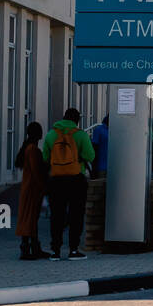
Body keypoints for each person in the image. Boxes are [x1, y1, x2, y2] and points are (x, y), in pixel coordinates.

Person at [42, 108, 94, 260]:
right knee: (76, 215)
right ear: (77, 120)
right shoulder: (81, 135)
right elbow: (90, 155)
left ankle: (55, 251)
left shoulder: (51, 135)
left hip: (56, 180)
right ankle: (73, 250)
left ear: (63, 118)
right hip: (76, 179)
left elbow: (45, 158)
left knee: (56, 215)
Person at [14, 121, 51, 260]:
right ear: (38, 134)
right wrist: (44, 187)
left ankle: (32, 247)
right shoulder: (33, 150)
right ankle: (28, 249)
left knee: (29, 218)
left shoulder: (27, 148)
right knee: (30, 218)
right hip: (32, 189)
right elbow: (37, 171)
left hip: (28, 187)